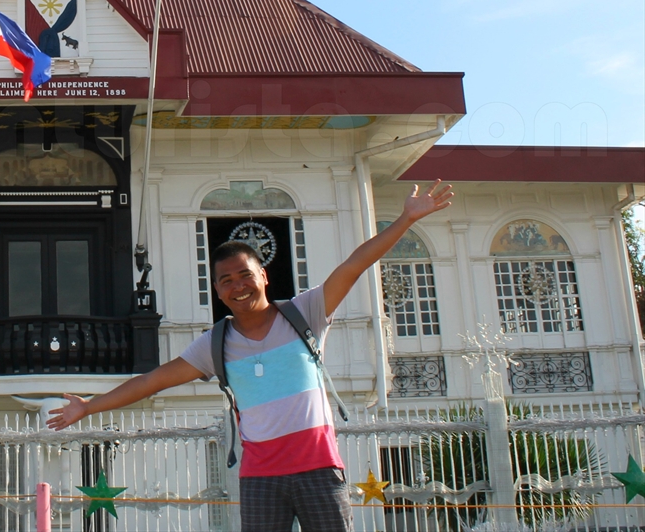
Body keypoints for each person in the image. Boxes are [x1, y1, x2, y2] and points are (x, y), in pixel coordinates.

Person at [48, 181, 453, 532]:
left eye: (245, 275)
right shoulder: (216, 343)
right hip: (261, 479)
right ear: (219, 292)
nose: (237, 286)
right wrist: (89, 407)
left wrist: (406, 220)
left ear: (264, 276)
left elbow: (355, 265)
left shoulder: (305, 314)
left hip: (319, 473)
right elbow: (152, 381)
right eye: (226, 281)